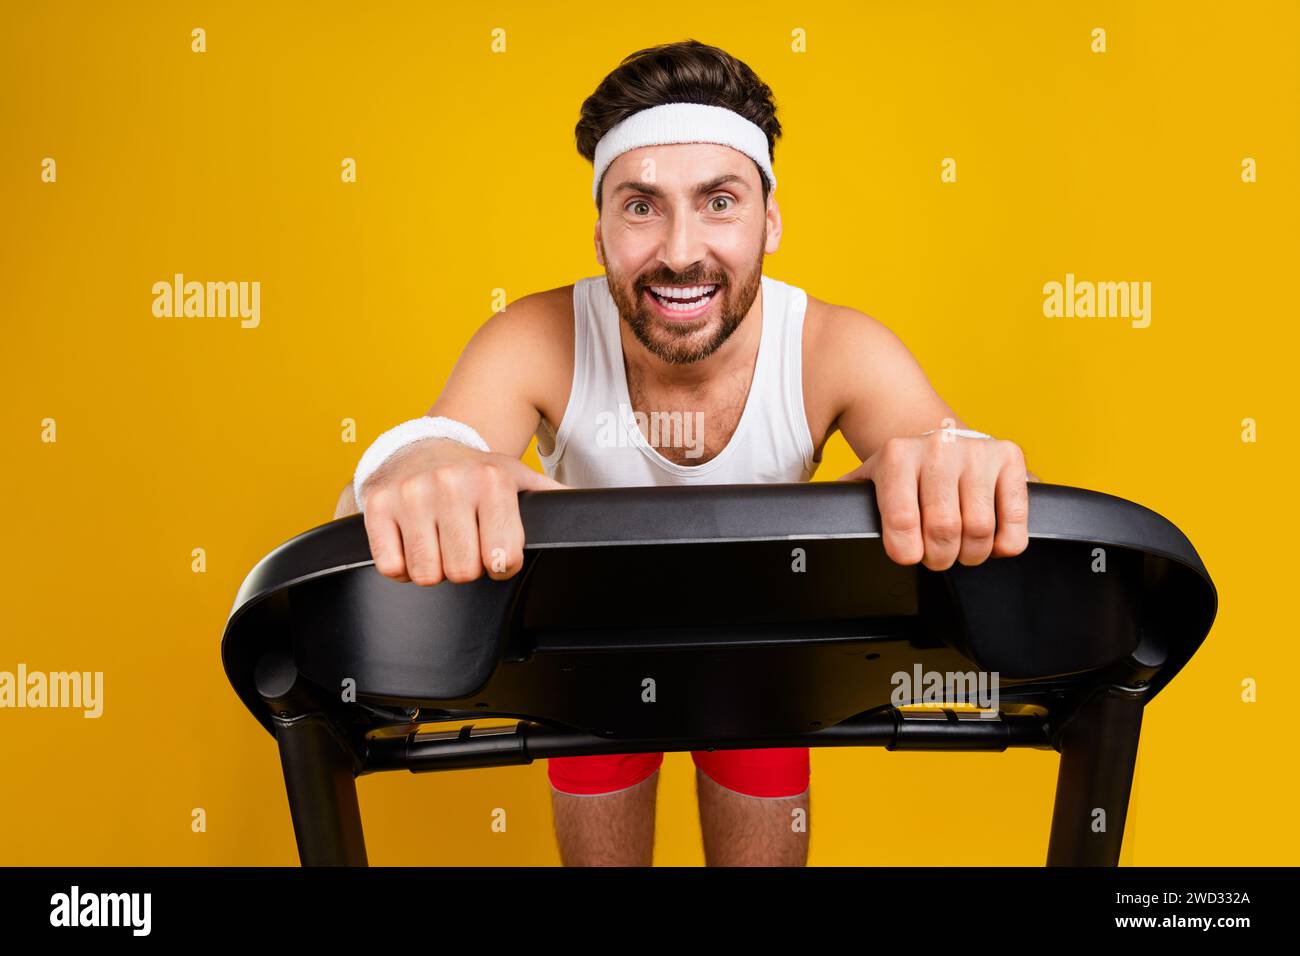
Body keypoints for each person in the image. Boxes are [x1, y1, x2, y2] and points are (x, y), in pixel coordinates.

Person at [334, 39, 1038, 867]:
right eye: (640, 206)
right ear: (599, 233)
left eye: (719, 201)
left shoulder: (835, 348)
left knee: (762, 713)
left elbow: (938, 444)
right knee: (596, 730)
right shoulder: (536, 336)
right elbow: (428, 455)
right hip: (590, 657)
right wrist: (413, 465)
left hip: (764, 661)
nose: (677, 250)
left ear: (769, 220)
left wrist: (952, 459)